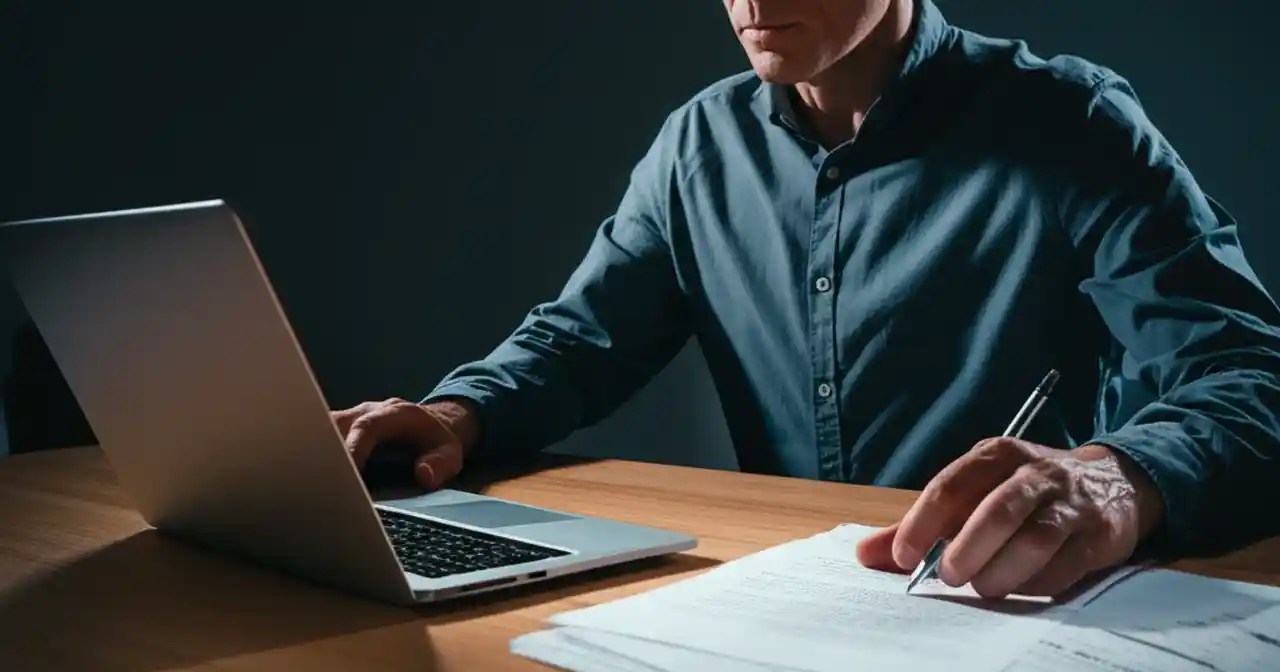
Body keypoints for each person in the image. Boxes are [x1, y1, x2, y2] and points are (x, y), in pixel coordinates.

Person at [332, 0, 1280, 599]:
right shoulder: (698, 143)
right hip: (786, 601)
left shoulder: (1070, 119)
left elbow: (1253, 377)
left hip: (1013, 603)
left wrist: (1119, 477)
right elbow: (581, 342)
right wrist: (457, 414)